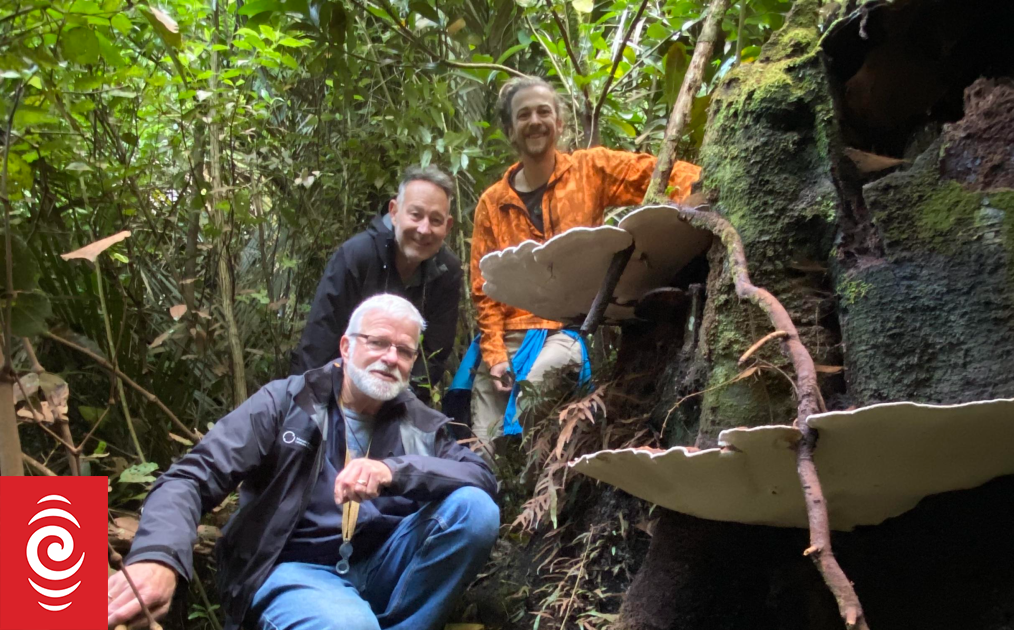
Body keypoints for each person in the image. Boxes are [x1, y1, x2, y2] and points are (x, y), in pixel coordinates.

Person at [108, 294, 499, 630]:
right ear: (346, 347)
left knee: (475, 510)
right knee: (349, 626)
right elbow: (193, 476)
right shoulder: (288, 402)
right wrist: (158, 556)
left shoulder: (420, 423)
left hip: (381, 564)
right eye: (377, 342)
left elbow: (480, 475)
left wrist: (393, 471)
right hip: (296, 567)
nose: (390, 358)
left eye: (404, 350)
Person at [461, 76, 701, 451]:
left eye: (544, 111)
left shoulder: (589, 170)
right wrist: (492, 357)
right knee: (484, 446)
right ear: (510, 131)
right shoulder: (493, 203)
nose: (535, 121)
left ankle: (537, 482)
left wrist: (699, 197)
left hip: (568, 329)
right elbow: (482, 289)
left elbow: (666, 174)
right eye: (523, 115)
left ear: (559, 123)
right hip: (508, 337)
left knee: (534, 393)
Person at [291, 166, 461, 403]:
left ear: (448, 226)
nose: (424, 229)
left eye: (435, 220)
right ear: (394, 212)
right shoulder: (357, 256)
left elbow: (434, 354)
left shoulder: (447, 271)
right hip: (341, 391)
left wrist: (400, 403)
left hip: (400, 395)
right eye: (415, 215)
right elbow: (320, 341)